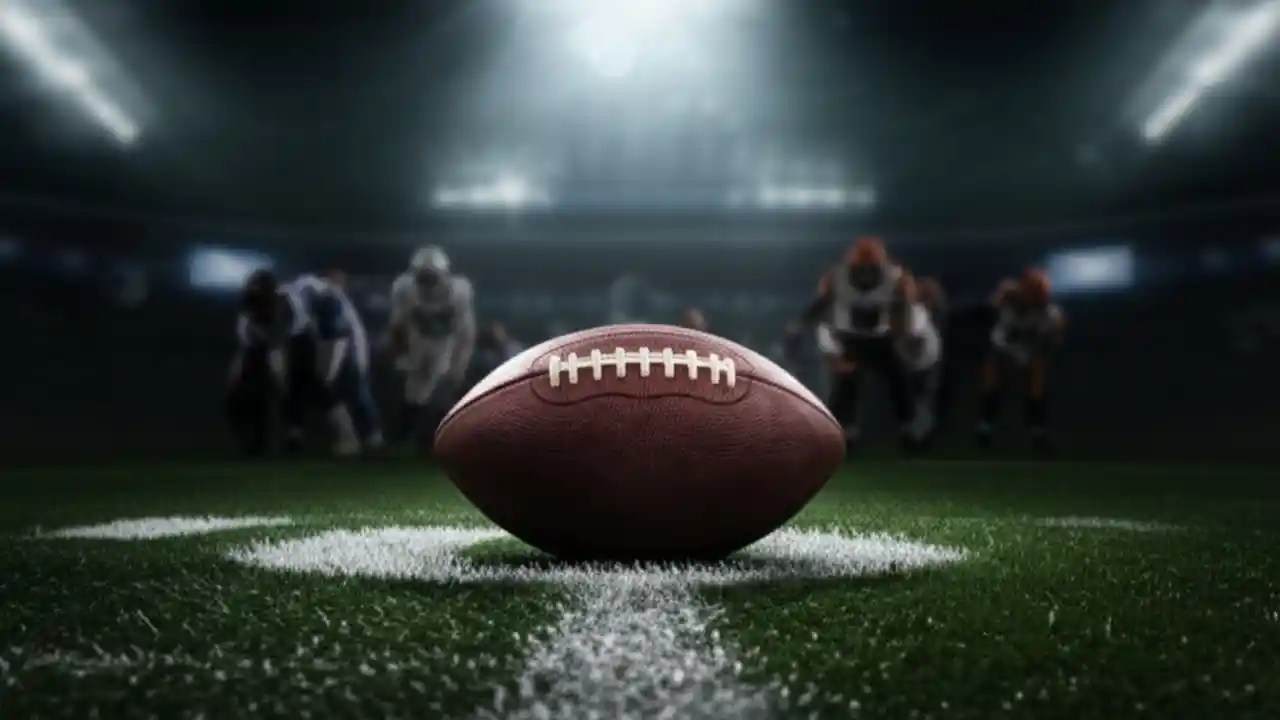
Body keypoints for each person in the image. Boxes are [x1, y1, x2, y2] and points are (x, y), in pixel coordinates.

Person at [226, 270, 368, 457]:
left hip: (324, 335)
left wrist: (322, 372)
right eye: (257, 307)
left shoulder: (305, 304)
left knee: (317, 383)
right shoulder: (248, 325)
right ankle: (266, 440)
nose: (263, 313)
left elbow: (329, 337)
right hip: (287, 340)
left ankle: (347, 436)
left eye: (266, 305)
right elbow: (251, 355)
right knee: (248, 389)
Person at [801, 235, 915, 450]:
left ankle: (908, 427)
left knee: (900, 378)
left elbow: (904, 309)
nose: (865, 276)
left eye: (870, 269)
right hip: (850, 338)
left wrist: (903, 333)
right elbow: (821, 303)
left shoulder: (897, 278)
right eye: (861, 269)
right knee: (846, 385)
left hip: (882, 338)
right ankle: (840, 432)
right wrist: (801, 322)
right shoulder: (836, 277)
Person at [387, 246, 476, 450]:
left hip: (446, 341)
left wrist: (461, 362)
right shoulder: (404, 289)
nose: (427, 282)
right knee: (414, 391)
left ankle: (438, 439)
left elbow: (466, 333)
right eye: (423, 276)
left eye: (431, 276)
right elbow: (397, 325)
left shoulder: (459, 291)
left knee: (442, 386)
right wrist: (397, 352)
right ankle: (409, 438)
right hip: (417, 338)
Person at [977, 267, 1067, 451]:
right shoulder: (1007, 300)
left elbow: (1055, 337)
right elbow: (996, 330)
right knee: (992, 372)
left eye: (1037, 292)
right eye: (1030, 290)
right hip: (1004, 348)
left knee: (1038, 375)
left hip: (1029, 351)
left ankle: (1038, 432)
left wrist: (1053, 334)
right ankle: (985, 427)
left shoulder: (1048, 312)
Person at [889, 272, 943, 452]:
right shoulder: (889, 310)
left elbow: (915, 340)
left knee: (923, 398)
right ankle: (911, 436)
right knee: (910, 399)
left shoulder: (917, 311)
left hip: (926, 360)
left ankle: (919, 437)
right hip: (907, 361)